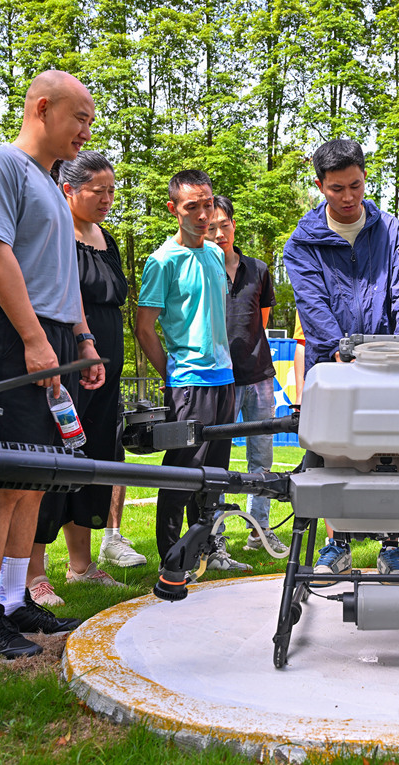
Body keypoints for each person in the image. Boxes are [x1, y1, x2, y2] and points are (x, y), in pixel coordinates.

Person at [0, 70, 105, 658]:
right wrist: (34, 339)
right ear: (42, 108)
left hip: (53, 337)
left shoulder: (48, 181)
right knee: (6, 477)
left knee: (36, 479)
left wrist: (82, 340)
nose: (86, 130)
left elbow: (58, 274)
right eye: (80, 117)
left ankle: (16, 602)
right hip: (12, 334)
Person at [283, 139, 399, 580]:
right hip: (335, 371)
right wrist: (342, 354)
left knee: (392, 455)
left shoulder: (391, 232)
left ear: (366, 179)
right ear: (319, 186)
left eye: (356, 186)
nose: (348, 198)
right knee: (334, 457)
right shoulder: (301, 244)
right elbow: (315, 309)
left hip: (393, 368)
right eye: (336, 189)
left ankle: (392, 546)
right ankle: (337, 544)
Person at [28, 151, 140, 607]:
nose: (108, 199)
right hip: (70, 354)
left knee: (92, 457)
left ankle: (81, 565)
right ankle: (34, 572)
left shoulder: (104, 236)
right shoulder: (55, 231)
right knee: (54, 456)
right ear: (69, 189)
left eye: (112, 190)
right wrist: (82, 344)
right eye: (99, 191)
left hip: (107, 363)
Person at [136, 170, 244, 571]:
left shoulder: (217, 254)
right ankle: (172, 558)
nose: (202, 214)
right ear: (173, 209)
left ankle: (208, 551)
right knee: (182, 472)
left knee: (215, 475)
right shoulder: (162, 261)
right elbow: (143, 327)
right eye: (191, 206)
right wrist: (171, 374)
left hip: (225, 380)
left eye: (208, 204)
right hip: (188, 382)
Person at [208, 194, 284, 554]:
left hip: (259, 377)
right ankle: (215, 533)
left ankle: (260, 530)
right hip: (219, 380)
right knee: (217, 459)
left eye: (224, 225)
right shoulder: (202, 270)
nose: (219, 232)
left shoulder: (259, 270)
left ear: (233, 225)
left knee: (261, 458)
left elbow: (261, 321)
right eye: (211, 227)